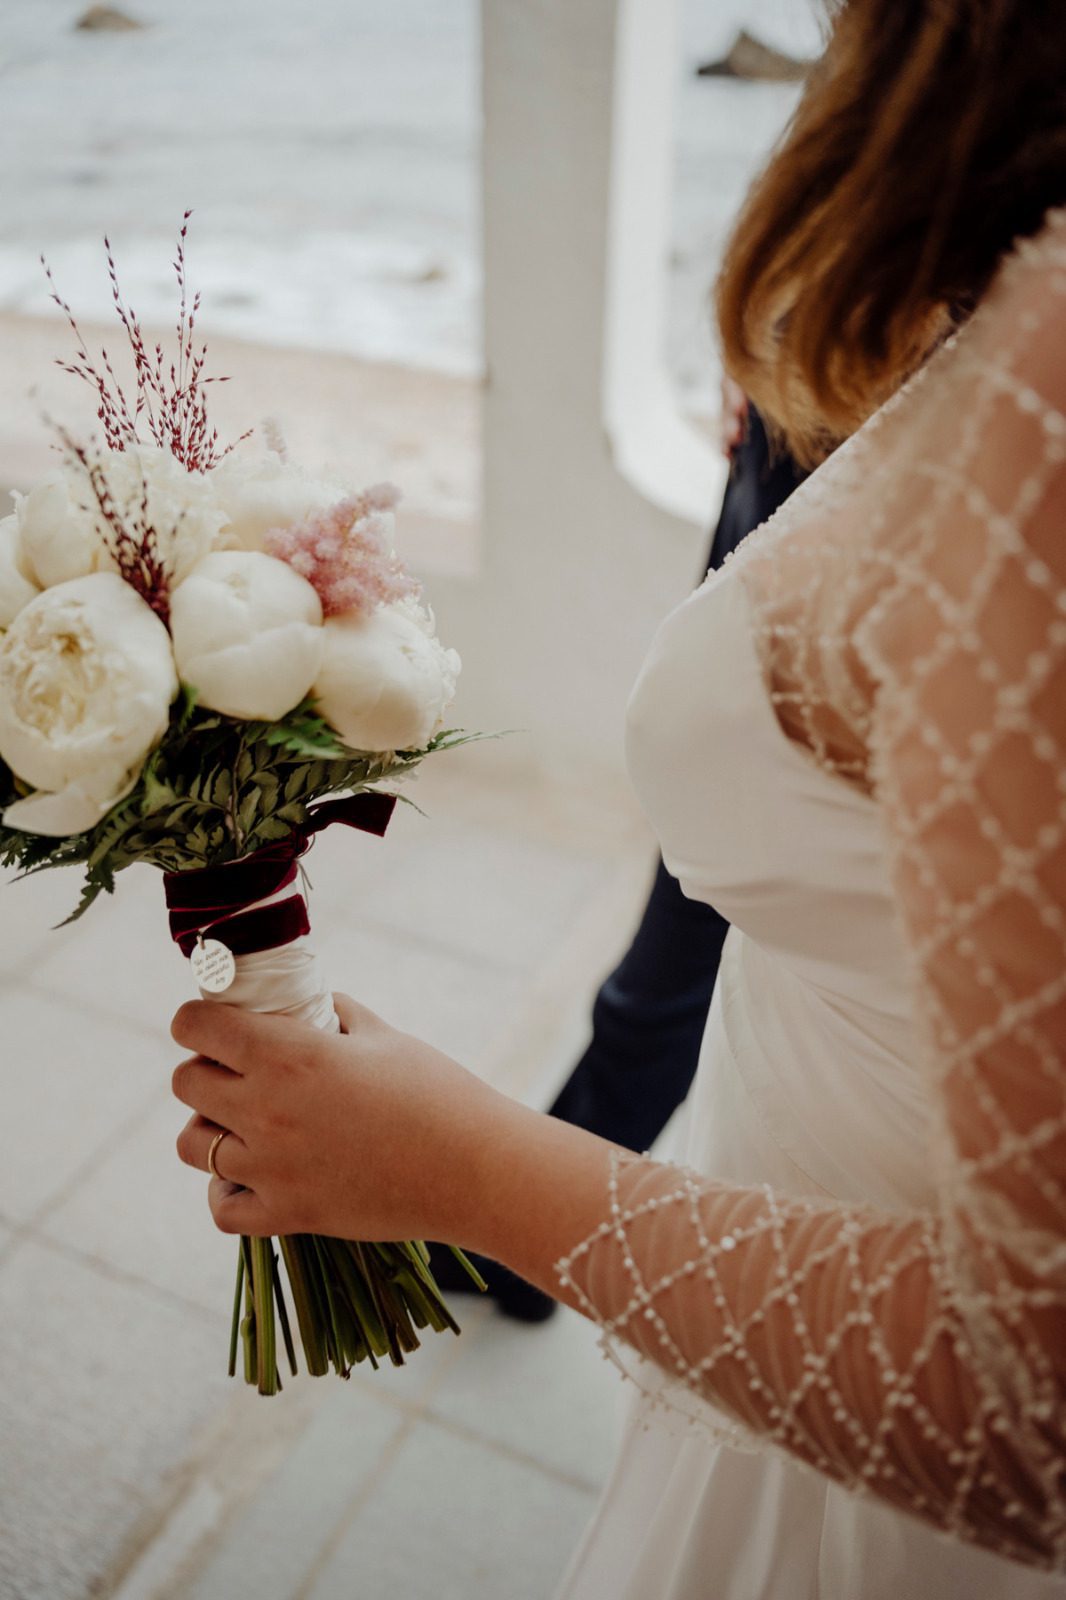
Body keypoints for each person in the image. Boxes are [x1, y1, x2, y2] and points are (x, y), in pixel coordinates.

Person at [170, 2, 1066, 1594]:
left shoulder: (1042, 401)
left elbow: (1032, 1403)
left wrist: (460, 1168)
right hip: (792, 1268)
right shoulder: (996, 277)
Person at [430, 387, 807, 1323]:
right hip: (768, 499)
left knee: (669, 991)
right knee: (657, 989)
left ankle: (525, 1250)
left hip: (801, 679)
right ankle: (524, 1248)